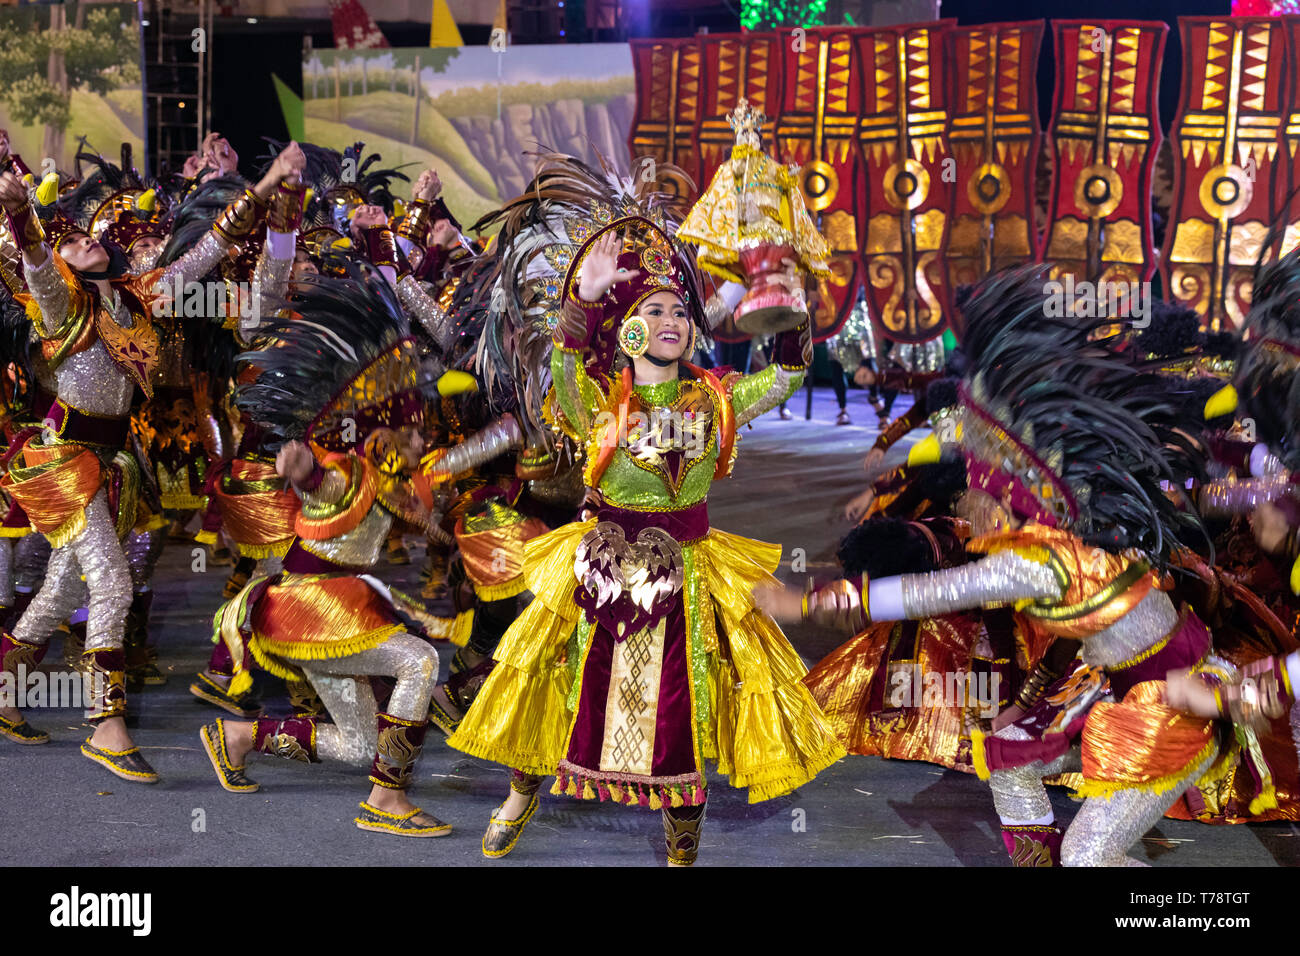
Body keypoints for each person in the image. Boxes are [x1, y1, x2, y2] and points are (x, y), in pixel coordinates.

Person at [446, 202, 845, 865]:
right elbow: (567, 374)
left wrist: (791, 308)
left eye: (680, 313)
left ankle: (682, 837)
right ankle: (520, 794)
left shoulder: (716, 401)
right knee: (555, 678)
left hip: (685, 574)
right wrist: (586, 298)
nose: (671, 321)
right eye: (654, 311)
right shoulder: (600, 404)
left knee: (681, 702)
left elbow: (788, 377)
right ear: (628, 331)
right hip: (599, 571)